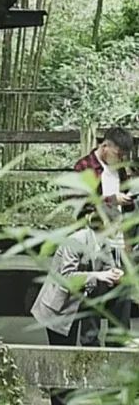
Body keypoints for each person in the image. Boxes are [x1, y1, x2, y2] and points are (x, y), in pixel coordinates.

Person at [31, 205, 123, 405]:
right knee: (62, 358)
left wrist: (115, 273)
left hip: (87, 304)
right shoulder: (77, 240)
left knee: (94, 352)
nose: (119, 232)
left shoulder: (112, 244)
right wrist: (98, 275)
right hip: (60, 306)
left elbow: (113, 267)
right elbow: (68, 277)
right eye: (116, 227)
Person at [74, 126, 135, 342]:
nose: (121, 160)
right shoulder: (84, 167)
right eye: (118, 155)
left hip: (118, 237)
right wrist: (111, 200)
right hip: (94, 238)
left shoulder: (120, 170)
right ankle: (90, 345)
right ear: (105, 146)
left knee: (122, 290)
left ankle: (118, 340)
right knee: (94, 290)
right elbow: (79, 205)